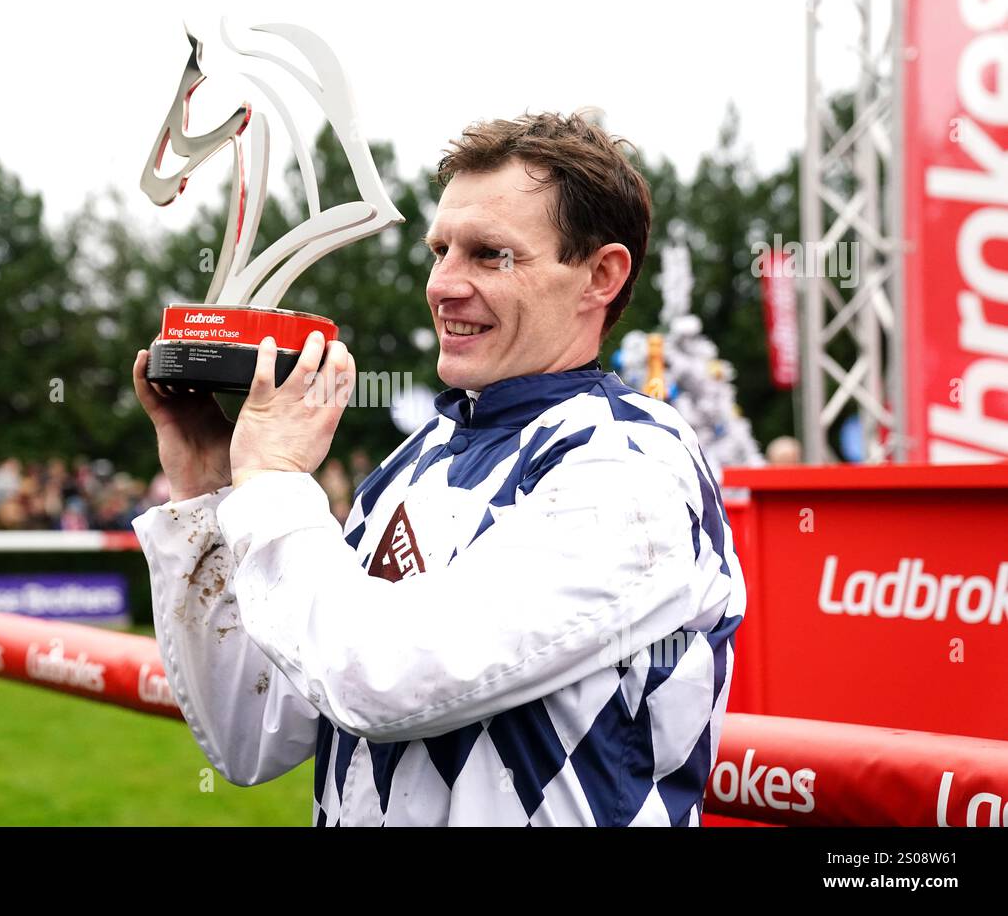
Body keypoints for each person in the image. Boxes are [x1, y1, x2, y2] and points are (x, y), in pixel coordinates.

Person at [132, 112, 745, 826]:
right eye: (440, 249)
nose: (443, 285)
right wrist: (210, 487)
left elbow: (377, 678)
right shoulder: (413, 462)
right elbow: (252, 734)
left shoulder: (633, 470)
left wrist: (272, 481)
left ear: (600, 276)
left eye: (490, 255)